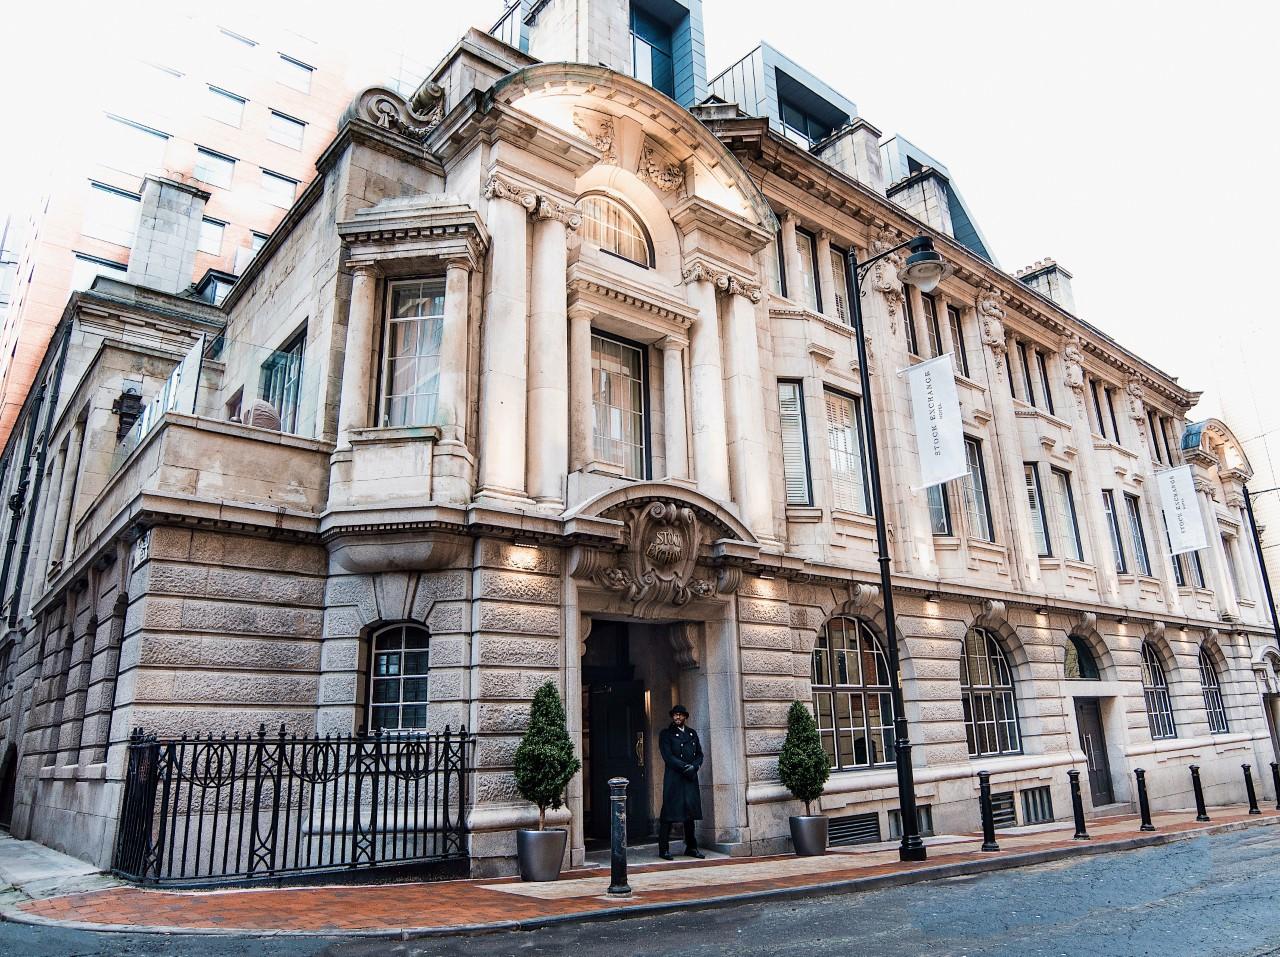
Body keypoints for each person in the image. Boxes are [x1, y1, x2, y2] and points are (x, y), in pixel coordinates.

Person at [657, 704, 705, 860]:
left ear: (685, 717)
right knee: (669, 813)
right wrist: (685, 767)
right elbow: (668, 756)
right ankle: (663, 849)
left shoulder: (692, 733)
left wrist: (695, 766)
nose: (677, 717)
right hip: (674, 778)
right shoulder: (666, 734)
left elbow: (699, 754)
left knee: (689, 813)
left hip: (690, 778)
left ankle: (691, 847)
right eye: (675, 715)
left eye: (680, 715)